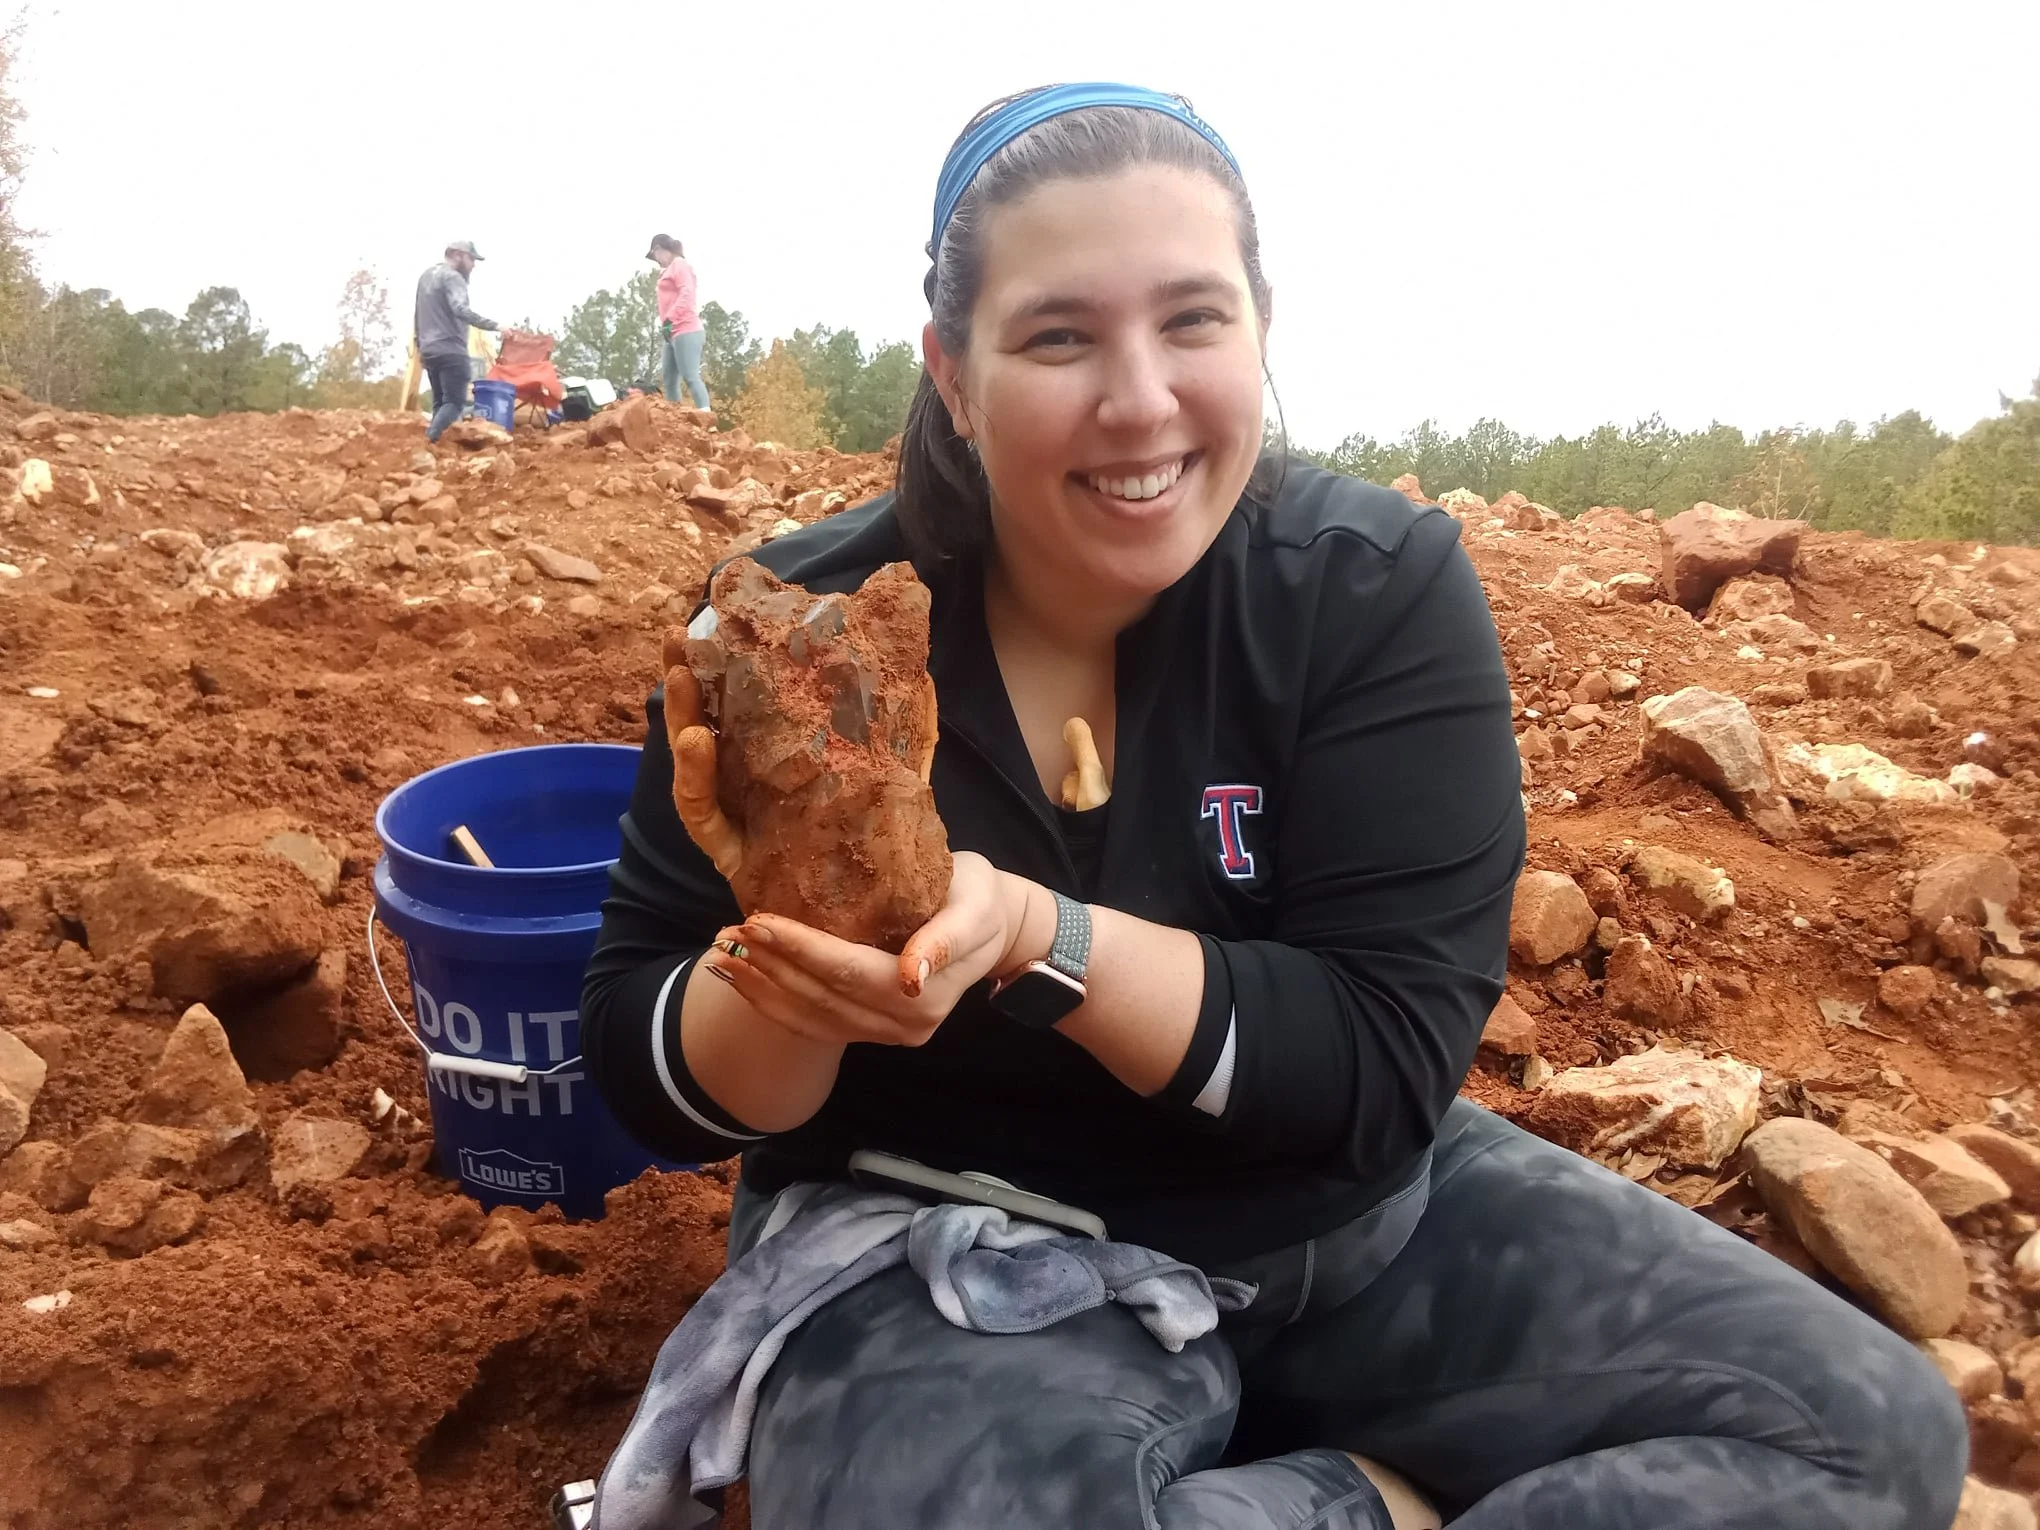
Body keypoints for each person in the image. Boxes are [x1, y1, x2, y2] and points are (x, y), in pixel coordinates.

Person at [581, 84, 1967, 1530]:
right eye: (1060, 335)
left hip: (1342, 1228)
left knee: (1864, 1438)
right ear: (950, 367)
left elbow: (1378, 1067)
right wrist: (803, 991)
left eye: (1193, 319)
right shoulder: (801, 641)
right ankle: (1363, 1498)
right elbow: (639, 1060)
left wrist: (1036, 936)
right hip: (954, 1259)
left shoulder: (1372, 590)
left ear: (1258, 324)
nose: (1140, 397)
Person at [413, 240, 502, 442]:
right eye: (471, 258)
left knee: (439, 403)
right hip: (451, 350)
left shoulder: (426, 276)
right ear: (458, 255)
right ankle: (428, 441)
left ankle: (433, 448)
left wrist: (421, 347)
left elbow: (417, 315)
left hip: (429, 350)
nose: (473, 265)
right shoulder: (453, 278)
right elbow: (460, 309)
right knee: (455, 403)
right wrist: (496, 326)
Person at [648, 233, 709, 409]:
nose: (656, 261)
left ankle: (707, 417)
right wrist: (667, 324)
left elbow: (687, 293)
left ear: (659, 249)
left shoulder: (679, 264)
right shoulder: (667, 271)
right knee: (669, 379)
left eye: (655, 256)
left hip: (686, 329)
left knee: (690, 376)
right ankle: (675, 420)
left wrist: (670, 318)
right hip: (671, 332)